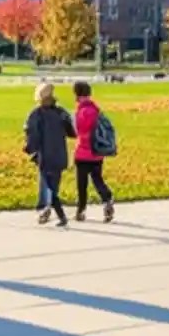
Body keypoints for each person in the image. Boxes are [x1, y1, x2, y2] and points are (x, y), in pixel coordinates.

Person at [24, 83, 74, 227]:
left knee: (47, 184)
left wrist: (29, 149)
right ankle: (52, 209)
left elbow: (32, 135)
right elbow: (72, 131)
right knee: (53, 184)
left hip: (45, 155)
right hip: (60, 154)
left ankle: (48, 208)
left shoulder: (36, 115)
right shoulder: (61, 113)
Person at [72, 82, 116, 222]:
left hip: (83, 152)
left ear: (76, 94)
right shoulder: (96, 110)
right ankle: (107, 198)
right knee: (97, 179)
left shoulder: (80, 112)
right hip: (97, 152)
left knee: (82, 183)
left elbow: (77, 131)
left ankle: (81, 210)